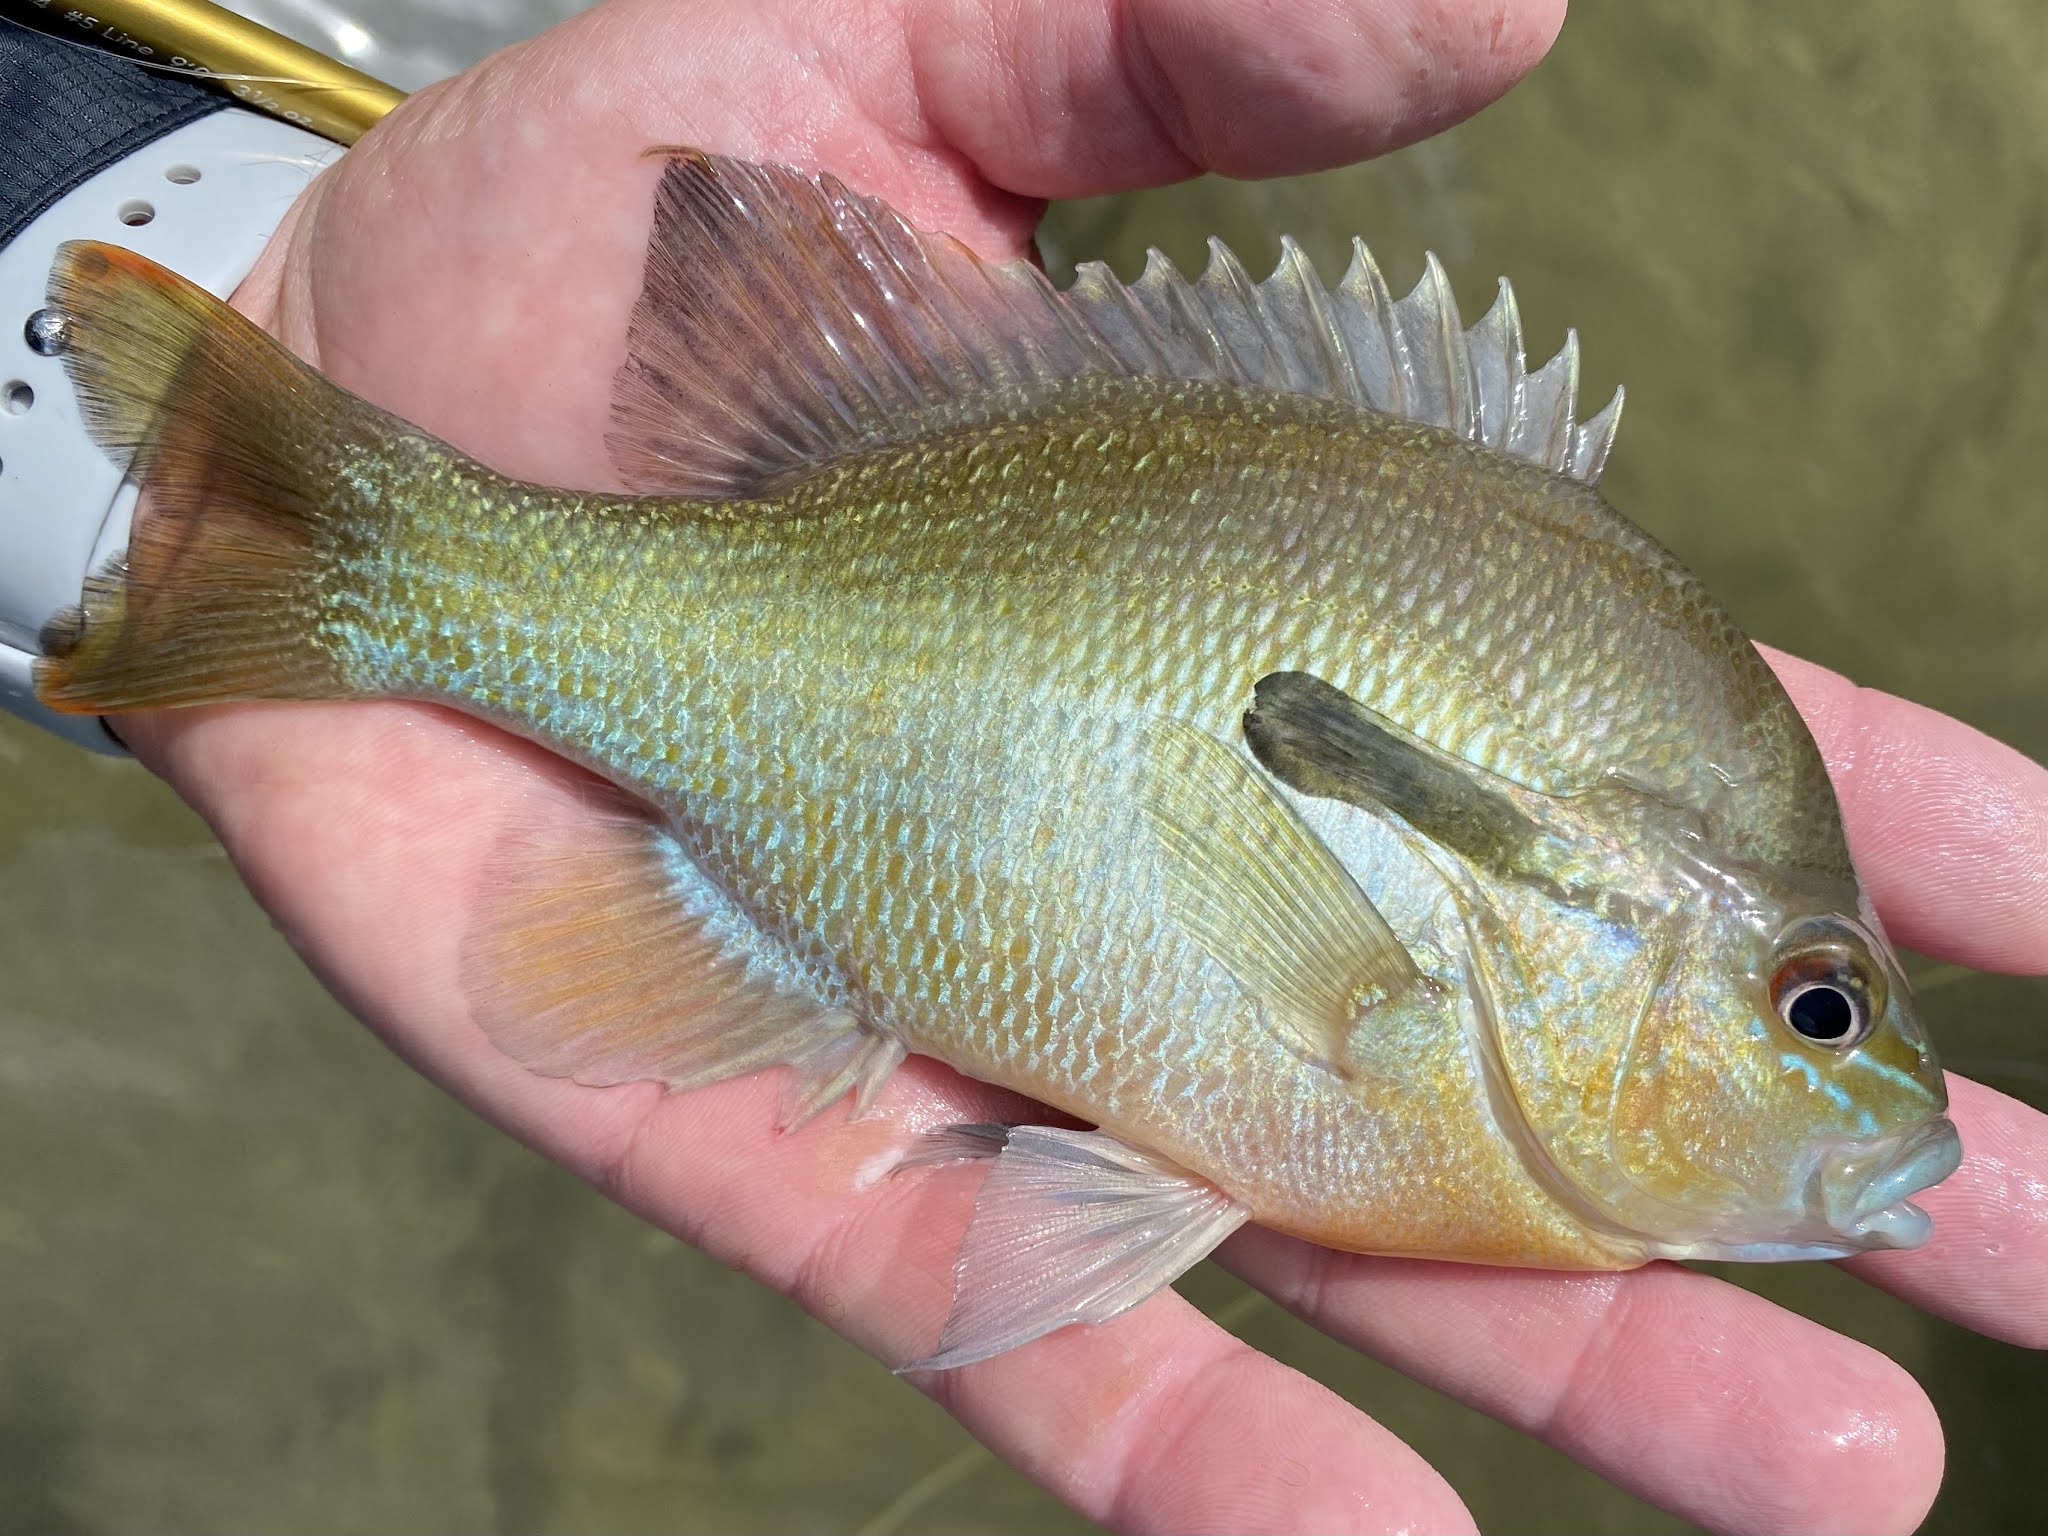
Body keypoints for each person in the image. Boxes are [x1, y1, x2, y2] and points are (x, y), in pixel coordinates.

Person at [79, 0, 2048, 1530]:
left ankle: (186, 532)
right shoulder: (1446, 1047)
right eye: (1811, 999)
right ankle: (297, 546)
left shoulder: (1522, 1016)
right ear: (1621, 910)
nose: (1866, 1088)